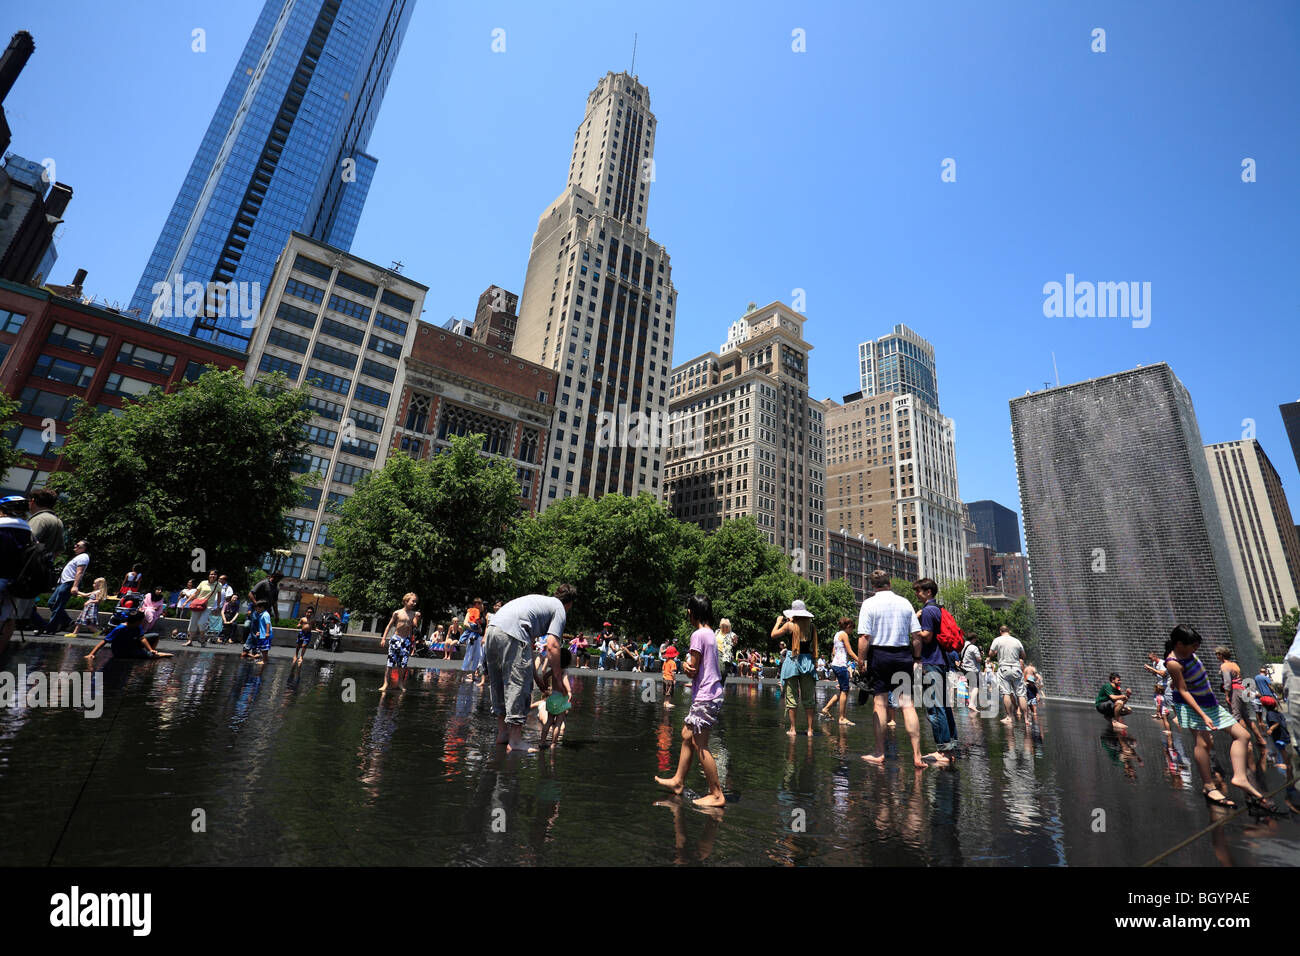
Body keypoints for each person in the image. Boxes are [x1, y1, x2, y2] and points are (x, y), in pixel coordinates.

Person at [1164, 624, 1277, 813]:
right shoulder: (1173, 662)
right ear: (1179, 644)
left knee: (1243, 735)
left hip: (1210, 702)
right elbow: (1182, 690)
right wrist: (1202, 715)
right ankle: (1209, 786)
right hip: (1194, 706)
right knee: (1204, 743)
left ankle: (1239, 777)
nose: (1196, 649)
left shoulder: (1187, 652)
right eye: (1193, 646)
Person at [484, 585, 576, 753]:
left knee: (500, 684)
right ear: (569, 603)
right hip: (512, 633)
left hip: (492, 630)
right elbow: (553, 645)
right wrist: (557, 678)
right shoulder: (559, 609)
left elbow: (527, 648)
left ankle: (503, 734)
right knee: (518, 686)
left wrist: (536, 677)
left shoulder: (539, 603)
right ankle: (515, 740)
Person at [655, 594, 726, 808]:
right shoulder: (711, 634)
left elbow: (693, 671)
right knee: (687, 734)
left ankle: (716, 794)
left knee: (700, 744)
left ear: (691, 613)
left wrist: (685, 667)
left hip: (705, 694)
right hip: (713, 692)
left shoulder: (697, 635)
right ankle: (678, 781)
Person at [858, 569, 928, 769]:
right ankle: (917, 755)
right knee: (908, 705)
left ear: (873, 586)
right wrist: (916, 658)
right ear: (889, 583)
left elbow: (864, 637)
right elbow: (916, 636)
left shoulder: (869, 604)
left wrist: (861, 661)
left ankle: (879, 752)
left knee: (880, 704)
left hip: (879, 656)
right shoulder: (905, 603)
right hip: (903, 656)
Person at [913, 578, 957, 762]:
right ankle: (951, 747)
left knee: (935, 707)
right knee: (944, 705)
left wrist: (913, 623)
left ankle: (943, 751)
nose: (917, 594)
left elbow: (927, 636)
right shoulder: (938, 609)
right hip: (941, 661)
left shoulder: (928, 611)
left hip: (931, 662)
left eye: (919, 591)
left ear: (929, 592)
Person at [772, 600, 819, 737]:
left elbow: (773, 635)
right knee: (809, 698)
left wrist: (778, 621)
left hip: (792, 661)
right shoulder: (812, 627)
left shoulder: (789, 625)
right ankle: (810, 730)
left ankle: (793, 729)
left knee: (791, 696)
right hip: (808, 662)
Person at [0, 496, 36, 655]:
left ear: (4, 511)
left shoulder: (2, 527)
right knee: (7, 619)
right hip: (15, 584)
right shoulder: (28, 532)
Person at [40, 539, 89, 635]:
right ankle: (67, 621)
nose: (75, 546)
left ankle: (50, 628)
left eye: (78, 545)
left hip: (69, 583)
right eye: (76, 544)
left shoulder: (83, 557)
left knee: (58, 606)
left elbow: (80, 572)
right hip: (62, 583)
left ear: (84, 548)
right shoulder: (78, 557)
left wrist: (75, 586)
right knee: (51, 603)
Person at [819, 616, 860, 725]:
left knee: (842, 690)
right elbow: (850, 651)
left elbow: (833, 651)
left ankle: (826, 709)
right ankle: (842, 718)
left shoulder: (836, 635)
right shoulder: (844, 635)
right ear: (848, 626)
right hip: (841, 666)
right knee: (845, 691)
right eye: (852, 628)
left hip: (835, 664)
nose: (852, 631)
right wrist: (860, 662)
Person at [85, 609, 174, 660]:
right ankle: (155, 655)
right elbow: (104, 641)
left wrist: (150, 649)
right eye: (141, 621)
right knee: (147, 656)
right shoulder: (120, 628)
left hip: (132, 644)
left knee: (155, 636)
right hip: (121, 651)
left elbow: (142, 638)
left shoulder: (137, 626)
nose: (142, 623)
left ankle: (153, 653)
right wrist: (91, 654)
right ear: (136, 621)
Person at [532, 647, 574, 749]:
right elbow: (564, 681)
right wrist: (569, 691)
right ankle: (553, 744)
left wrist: (546, 686)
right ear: (568, 662)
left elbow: (545, 677)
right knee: (558, 723)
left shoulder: (553, 670)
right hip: (561, 698)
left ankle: (542, 742)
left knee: (549, 722)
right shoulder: (565, 672)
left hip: (552, 697)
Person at [988, 625, 1028, 724]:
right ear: (1009, 631)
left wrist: (996, 652)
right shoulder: (1017, 641)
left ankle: (1009, 717)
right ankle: (1027, 719)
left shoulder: (997, 640)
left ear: (1000, 631)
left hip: (1004, 668)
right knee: (1021, 694)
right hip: (1016, 668)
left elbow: (990, 653)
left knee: (1006, 693)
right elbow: (1023, 655)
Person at [379, 593, 418, 693]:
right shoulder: (397, 613)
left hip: (406, 640)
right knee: (390, 663)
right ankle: (385, 683)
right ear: (406, 601)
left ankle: (400, 683)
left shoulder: (413, 614)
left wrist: (417, 618)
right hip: (396, 639)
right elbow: (389, 626)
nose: (414, 603)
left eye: (415, 601)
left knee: (403, 664)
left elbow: (414, 626)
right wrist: (383, 638)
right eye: (412, 601)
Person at [960, 635, 983, 712]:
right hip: (972, 669)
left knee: (971, 687)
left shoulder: (963, 646)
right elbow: (979, 659)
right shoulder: (973, 647)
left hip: (965, 669)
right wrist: (981, 655)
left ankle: (970, 702)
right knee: (976, 687)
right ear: (973, 639)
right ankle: (972, 704)